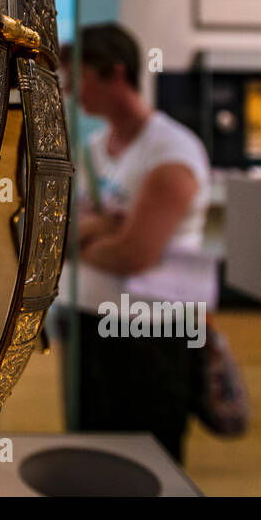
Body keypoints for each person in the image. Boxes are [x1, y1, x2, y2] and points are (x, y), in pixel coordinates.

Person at [70, 23, 213, 462]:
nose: (74, 91)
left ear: (115, 73)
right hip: (90, 324)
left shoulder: (172, 152)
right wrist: (103, 230)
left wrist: (88, 238)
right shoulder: (94, 148)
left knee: (150, 460)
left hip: (153, 334)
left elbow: (136, 254)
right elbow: (61, 232)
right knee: (92, 455)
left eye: (80, 77)